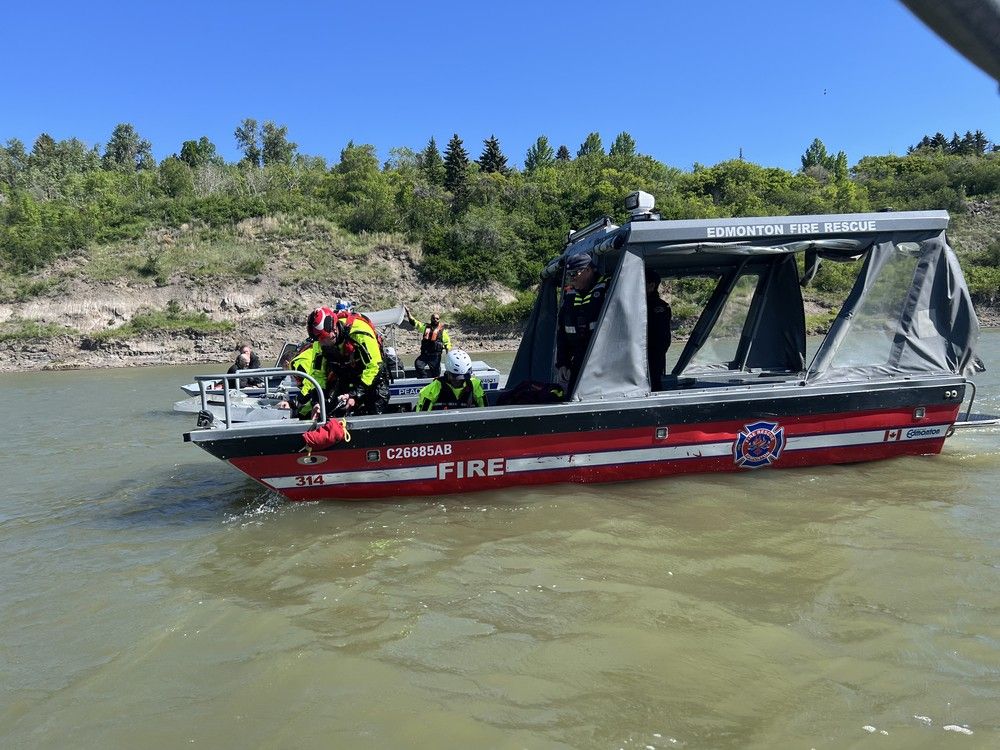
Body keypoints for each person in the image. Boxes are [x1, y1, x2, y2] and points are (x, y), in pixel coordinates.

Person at [555, 252, 610, 393]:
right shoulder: (569, 295)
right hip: (577, 359)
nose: (571, 278)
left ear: (588, 270)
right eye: (569, 274)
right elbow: (562, 332)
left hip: (603, 362)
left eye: (575, 273)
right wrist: (562, 363)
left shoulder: (608, 288)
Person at [415, 349, 486, 411]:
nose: (459, 381)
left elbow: (485, 411)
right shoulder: (434, 388)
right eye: (455, 377)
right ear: (448, 373)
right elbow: (422, 417)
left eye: (464, 378)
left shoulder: (475, 385)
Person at [645, 269, 672, 391]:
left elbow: (662, 337)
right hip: (646, 353)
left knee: (655, 383)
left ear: (651, 285)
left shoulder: (660, 307)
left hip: (652, 354)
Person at [406, 308, 451, 376]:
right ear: (431, 319)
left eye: (437, 318)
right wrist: (408, 312)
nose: (435, 319)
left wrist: (448, 354)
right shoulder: (425, 327)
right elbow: (414, 322)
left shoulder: (442, 331)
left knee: (436, 374)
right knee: (418, 364)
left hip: (435, 356)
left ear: (439, 320)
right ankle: (424, 378)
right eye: (433, 318)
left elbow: (447, 343)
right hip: (425, 355)